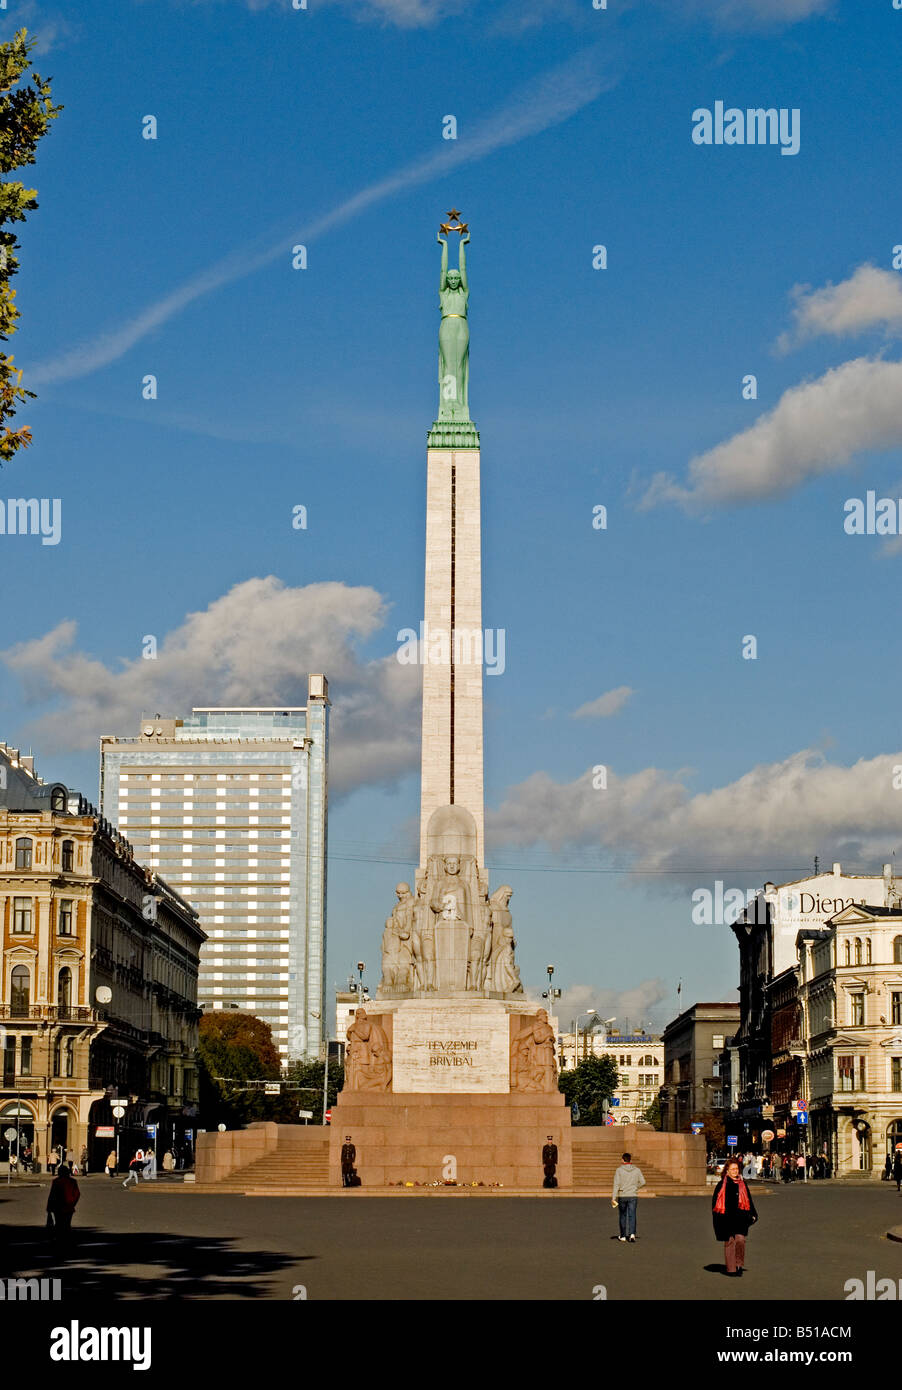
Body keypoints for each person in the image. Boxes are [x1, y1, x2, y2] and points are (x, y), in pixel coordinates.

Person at [712, 1157, 758, 1277]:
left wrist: (753, 1214)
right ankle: (731, 1269)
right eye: (732, 1169)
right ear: (727, 1171)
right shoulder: (721, 1185)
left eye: (736, 1169)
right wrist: (718, 1219)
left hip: (741, 1219)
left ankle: (739, 1264)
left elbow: (749, 1200)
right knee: (730, 1242)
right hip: (726, 1219)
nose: (735, 1171)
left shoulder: (742, 1184)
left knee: (740, 1240)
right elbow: (715, 1203)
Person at [611, 1152, 646, 1243]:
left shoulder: (619, 1170)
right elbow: (643, 1182)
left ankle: (622, 1236)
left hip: (622, 1195)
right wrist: (635, 1187)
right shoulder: (637, 1170)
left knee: (622, 1215)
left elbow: (616, 1184)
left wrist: (613, 1197)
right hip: (633, 1195)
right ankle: (632, 1234)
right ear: (631, 1160)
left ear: (622, 1160)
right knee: (632, 1215)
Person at [46, 1163, 80, 1247]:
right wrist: (72, 1203)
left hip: (58, 1207)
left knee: (58, 1224)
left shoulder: (56, 1181)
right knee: (67, 1224)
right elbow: (77, 1194)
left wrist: (49, 1207)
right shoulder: (73, 1181)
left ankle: (59, 1239)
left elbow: (52, 1195)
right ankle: (67, 1239)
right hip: (69, 1207)